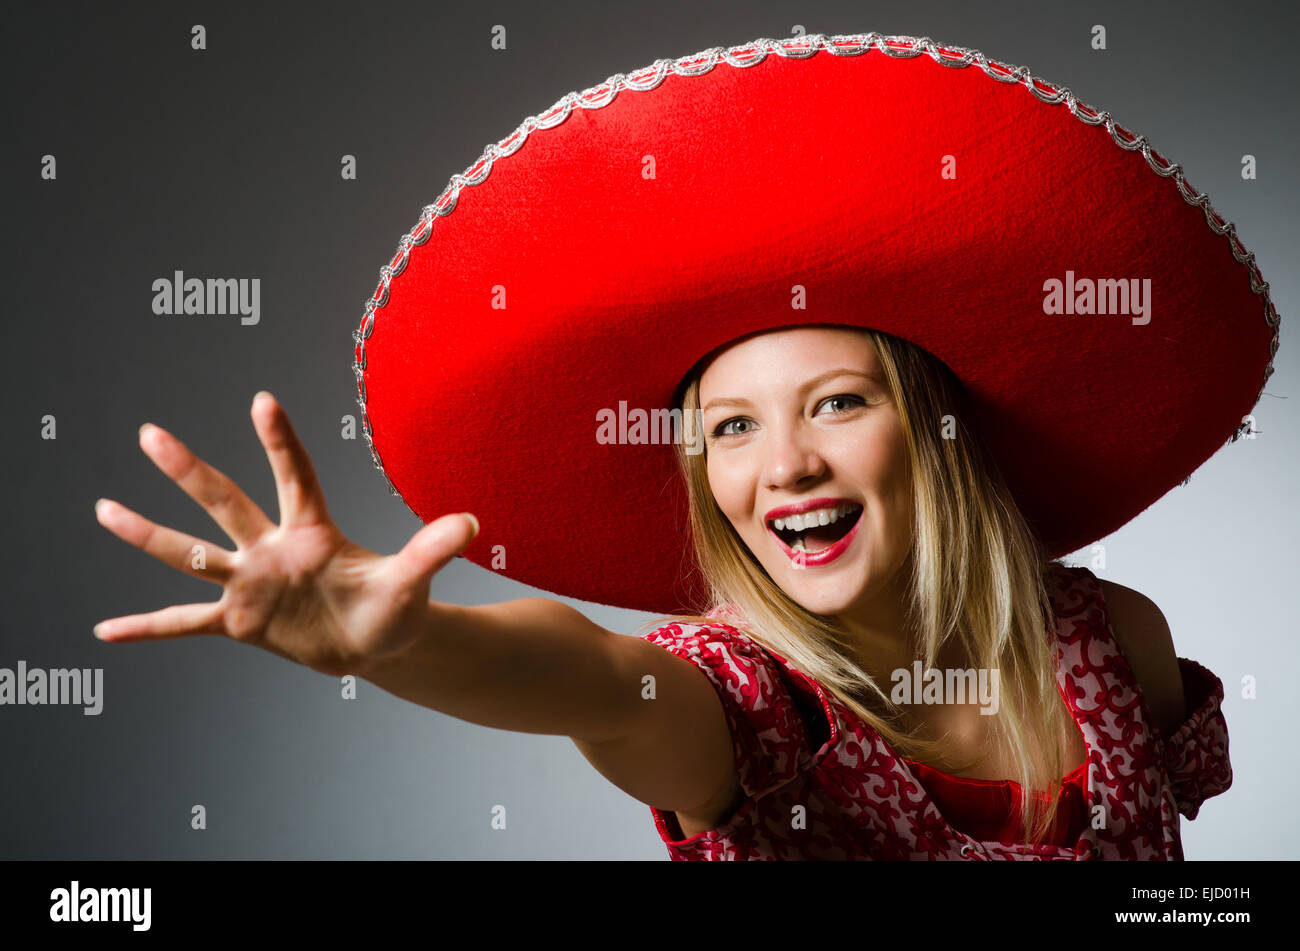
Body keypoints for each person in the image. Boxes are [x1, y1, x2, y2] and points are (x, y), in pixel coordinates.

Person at [95, 32, 1268, 860]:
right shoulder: (743, 708)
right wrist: (400, 646)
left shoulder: (1109, 639)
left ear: (940, 436)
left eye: (840, 405)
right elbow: (598, 682)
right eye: (732, 429)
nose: (785, 466)